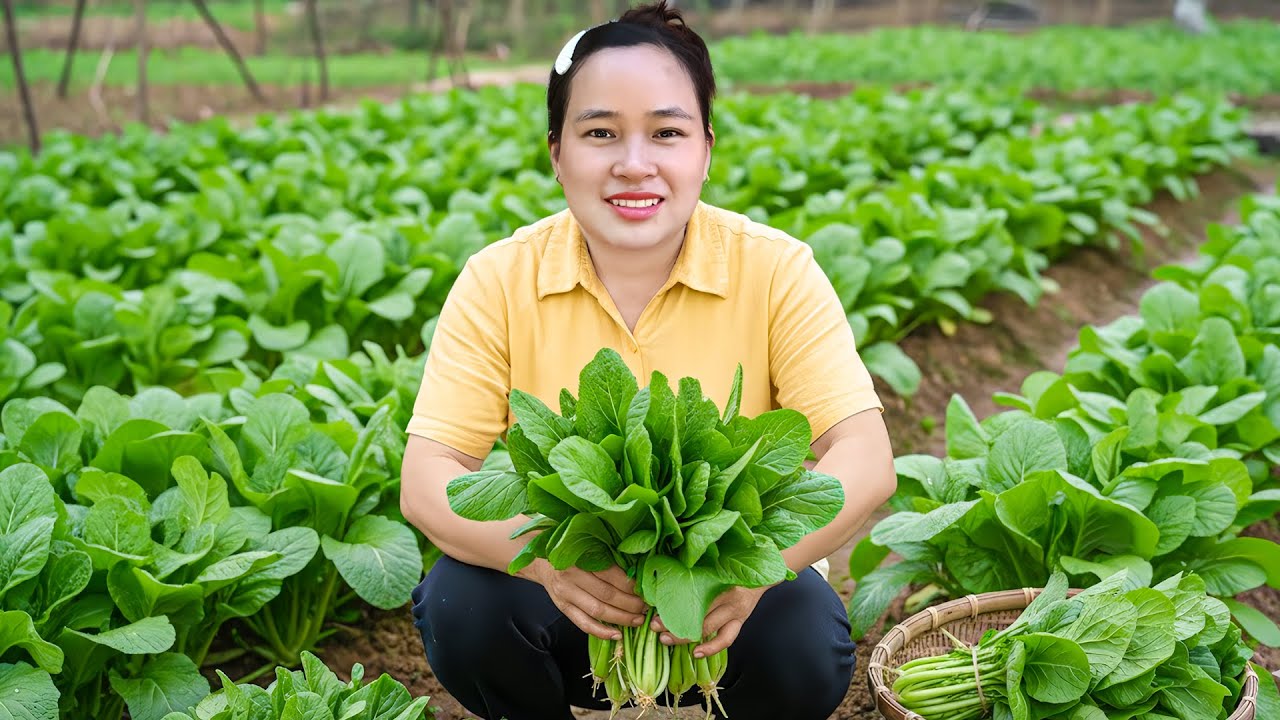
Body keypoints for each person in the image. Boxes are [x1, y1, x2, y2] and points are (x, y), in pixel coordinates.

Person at [399, 3, 897, 718]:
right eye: (600, 133)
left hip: (722, 613)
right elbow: (426, 478)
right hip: (570, 610)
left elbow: (867, 456)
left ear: (705, 148)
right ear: (557, 151)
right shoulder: (498, 278)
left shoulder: (776, 269)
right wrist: (545, 561)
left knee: (804, 638)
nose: (634, 164)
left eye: (666, 132)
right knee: (461, 603)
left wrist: (754, 571)